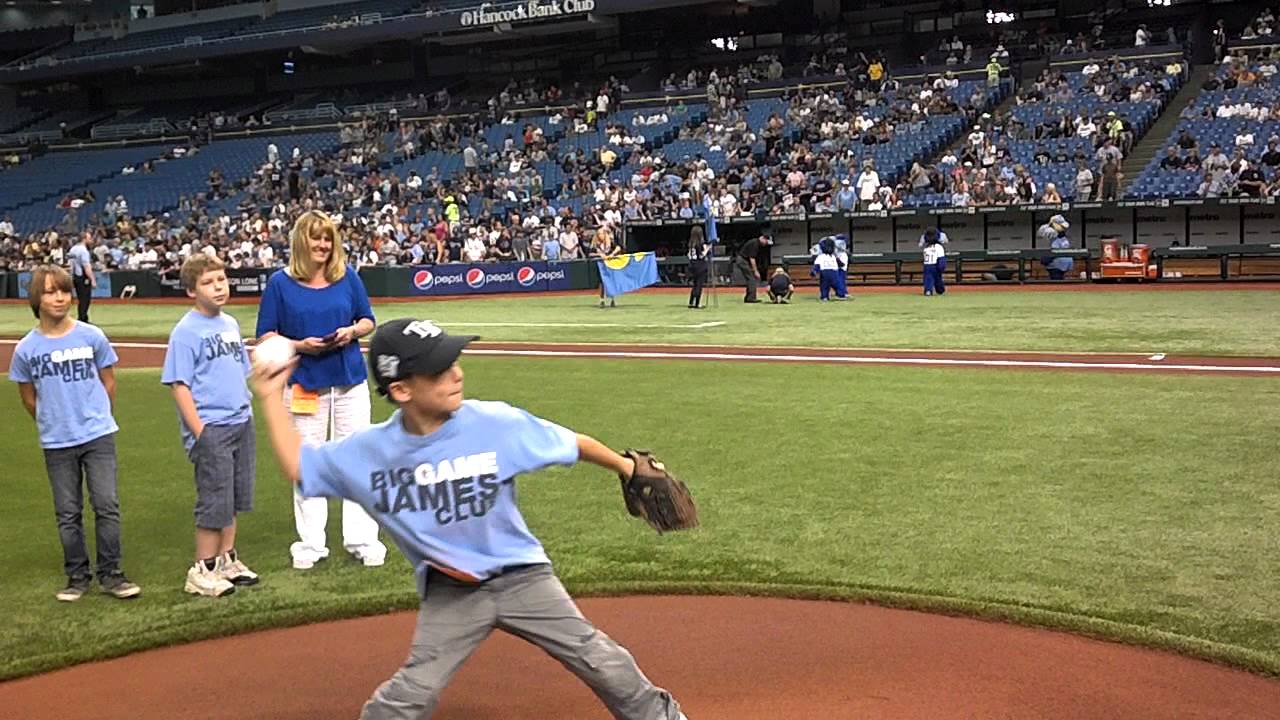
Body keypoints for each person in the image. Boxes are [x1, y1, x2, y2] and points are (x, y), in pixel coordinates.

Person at [248, 318, 689, 720]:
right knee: (411, 694)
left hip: (523, 576)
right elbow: (300, 467)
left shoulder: (494, 423)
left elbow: (573, 443)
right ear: (402, 390)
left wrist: (627, 468)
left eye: (455, 361)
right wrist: (269, 396)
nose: (457, 373)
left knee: (600, 658)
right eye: (440, 370)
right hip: (452, 590)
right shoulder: (368, 454)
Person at [255, 210, 386, 571]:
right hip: (304, 383)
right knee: (308, 465)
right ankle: (311, 543)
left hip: (348, 380)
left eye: (328, 238)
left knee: (357, 460)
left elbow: (367, 319)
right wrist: (299, 345)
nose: (323, 245)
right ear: (301, 241)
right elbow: (266, 334)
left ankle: (362, 538)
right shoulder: (280, 284)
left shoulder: (347, 277)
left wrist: (352, 332)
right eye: (316, 238)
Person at [8, 265, 141, 602]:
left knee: (106, 505)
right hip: (57, 440)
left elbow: (108, 381)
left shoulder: (91, 336)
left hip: (97, 434)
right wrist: (51, 419)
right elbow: (27, 395)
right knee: (68, 512)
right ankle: (77, 576)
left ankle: (112, 574)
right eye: (51, 292)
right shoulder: (26, 349)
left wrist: (96, 414)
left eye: (64, 291)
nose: (60, 298)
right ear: (36, 298)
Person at [162, 255, 259, 598]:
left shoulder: (230, 324)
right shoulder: (186, 332)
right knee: (213, 498)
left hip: (240, 420)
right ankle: (202, 570)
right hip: (212, 425)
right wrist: (199, 430)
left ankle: (226, 560)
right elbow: (179, 384)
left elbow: (241, 371)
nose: (218, 287)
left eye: (221, 279)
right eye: (208, 282)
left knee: (233, 495)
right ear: (191, 290)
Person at [734, 233, 771, 303]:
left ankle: (748, 297)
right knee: (752, 279)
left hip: (742, 260)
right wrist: (755, 271)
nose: (766, 244)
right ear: (763, 238)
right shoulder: (755, 244)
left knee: (750, 278)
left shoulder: (756, 243)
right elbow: (752, 258)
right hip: (742, 260)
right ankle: (751, 298)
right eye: (766, 242)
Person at [67, 231, 96, 323]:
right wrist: (92, 279)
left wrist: (70, 277)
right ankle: (82, 319)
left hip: (74, 276)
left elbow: (70, 265)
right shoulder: (84, 251)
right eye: (89, 238)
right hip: (82, 277)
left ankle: (83, 317)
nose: (91, 240)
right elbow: (86, 266)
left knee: (80, 298)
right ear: (84, 239)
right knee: (85, 299)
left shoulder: (72, 249)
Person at [589, 228, 621, 308]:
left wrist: (612, 254)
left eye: (601, 233)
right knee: (602, 282)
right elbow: (590, 254)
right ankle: (602, 300)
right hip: (601, 265)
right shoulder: (595, 244)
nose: (600, 235)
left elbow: (618, 247)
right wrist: (599, 255)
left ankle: (612, 299)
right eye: (599, 234)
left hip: (610, 264)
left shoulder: (609, 242)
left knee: (611, 282)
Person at [810, 237, 847, 301]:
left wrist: (814, 271)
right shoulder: (832, 256)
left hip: (825, 273)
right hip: (834, 273)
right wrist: (842, 265)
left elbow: (817, 266)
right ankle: (840, 294)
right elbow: (839, 263)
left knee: (824, 286)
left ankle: (825, 296)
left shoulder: (821, 257)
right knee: (837, 284)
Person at [1038, 215, 1074, 280]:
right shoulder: (1050, 231)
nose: (1064, 228)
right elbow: (1052, 252)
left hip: (1061, 266)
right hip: (1055, 266)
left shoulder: (1062, 236)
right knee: (1056, 284)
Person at [687, 225, 710, 309]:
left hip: (692, 265)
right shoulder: (699, 244)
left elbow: (689, 255)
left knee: (695, 284)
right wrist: (707, 249)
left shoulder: (691, 244)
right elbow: (701, 255)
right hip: (700, 265)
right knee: (699, 285)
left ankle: (691, 302)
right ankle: (697, 303)